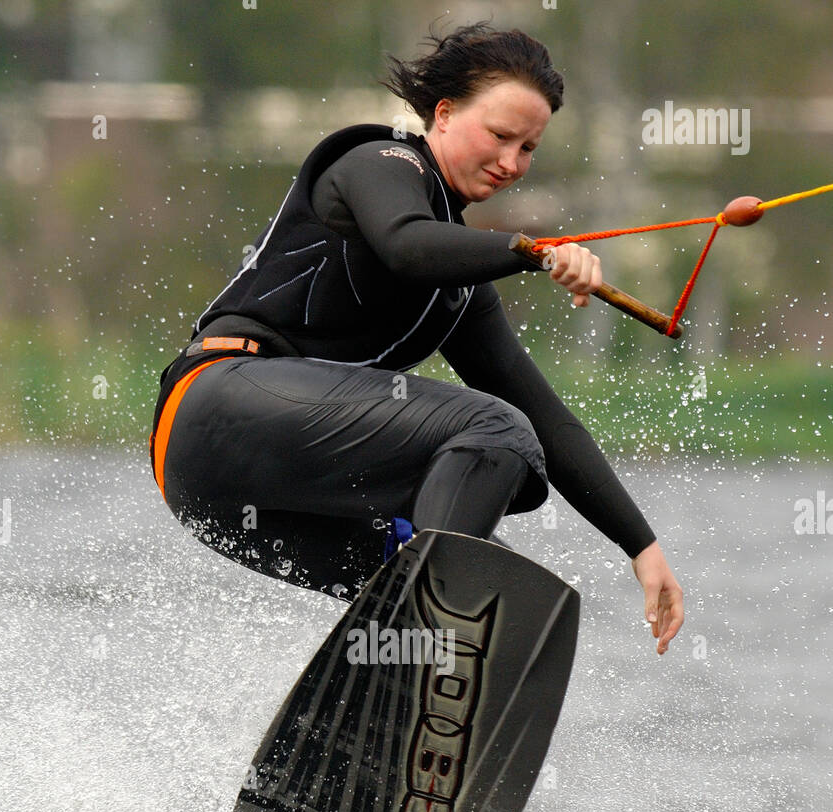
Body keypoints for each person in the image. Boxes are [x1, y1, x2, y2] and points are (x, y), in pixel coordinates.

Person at [149, 22, 683, 654]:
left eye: (530, 148)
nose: (512, 162)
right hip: (214, 409)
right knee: (493, 432)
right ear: (445, 112)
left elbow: (548, 422)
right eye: (500, 135)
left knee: (498, 601)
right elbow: (407, 244)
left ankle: (372, 728)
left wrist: (642, 548)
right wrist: (531, 252)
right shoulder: (382, 162)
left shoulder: (458, 294)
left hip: (247, 493)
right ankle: (425, 640)